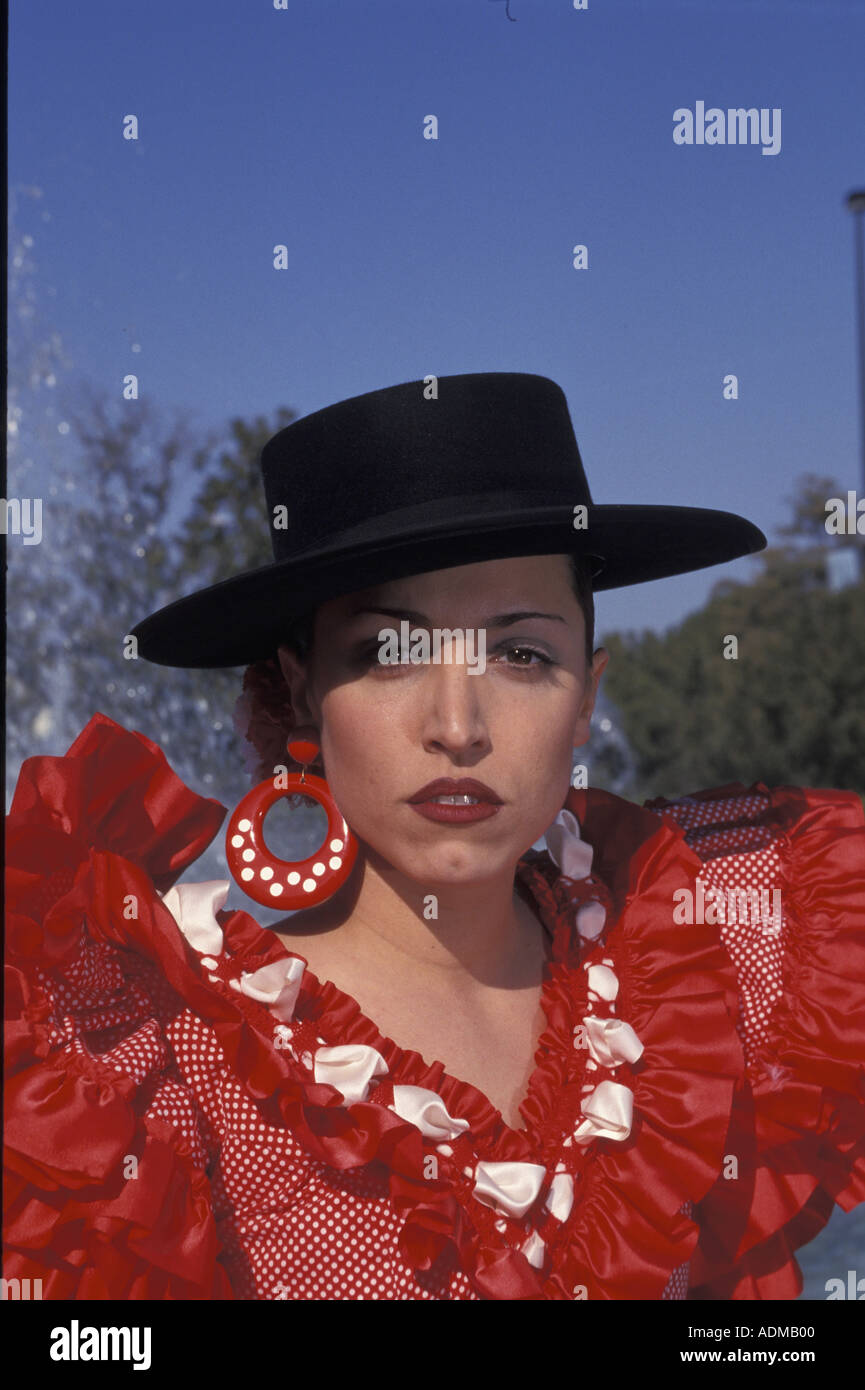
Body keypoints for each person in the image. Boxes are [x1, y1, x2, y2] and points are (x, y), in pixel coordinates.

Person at [5, 373, 864, 1301]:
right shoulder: (148, 1061)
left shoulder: (735, 946)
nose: (458, 725)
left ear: (588, 695)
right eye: (388, 653)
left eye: (522, 655)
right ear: (298, 691)